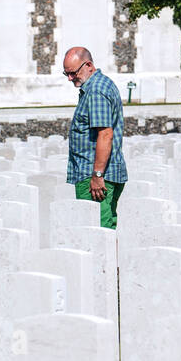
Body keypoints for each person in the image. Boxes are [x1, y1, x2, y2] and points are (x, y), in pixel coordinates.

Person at [62, 46, 126, 229]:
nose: (69, 78)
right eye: (66, 73)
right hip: (99, 174)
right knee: (105, 229)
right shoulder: (98, 85)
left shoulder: (96, 90)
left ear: (88, 65)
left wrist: (97, 175)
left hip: (95, 177)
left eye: (73, 73)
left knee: (95, 233)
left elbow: (105, 134)